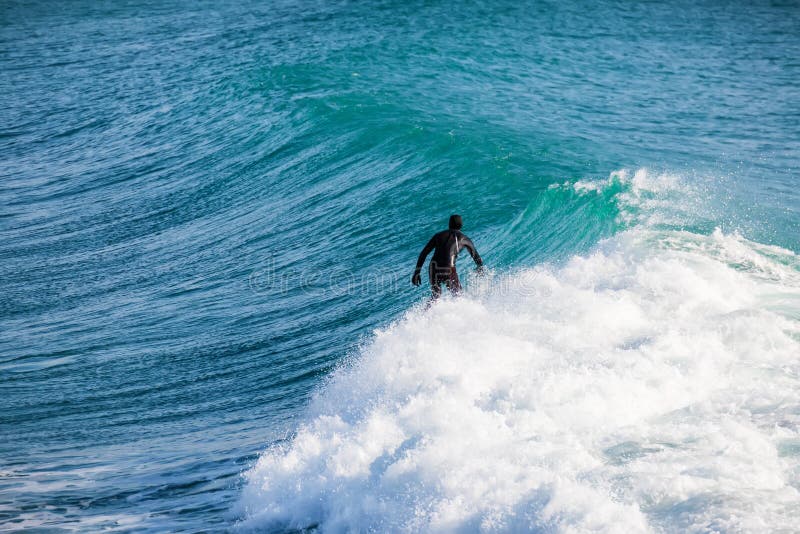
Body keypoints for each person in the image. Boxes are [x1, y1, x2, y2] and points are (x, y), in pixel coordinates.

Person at [412, 214, 483, 298]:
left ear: (449, 224)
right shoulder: (465, 239)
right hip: (448, 269)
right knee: (458, 296)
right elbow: (477, 258)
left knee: (435, 296)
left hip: (434, 268)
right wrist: (480, 268)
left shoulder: (438, 235)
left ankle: (427, 311)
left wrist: (417, 272)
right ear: (461, 225)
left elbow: (424, 253)